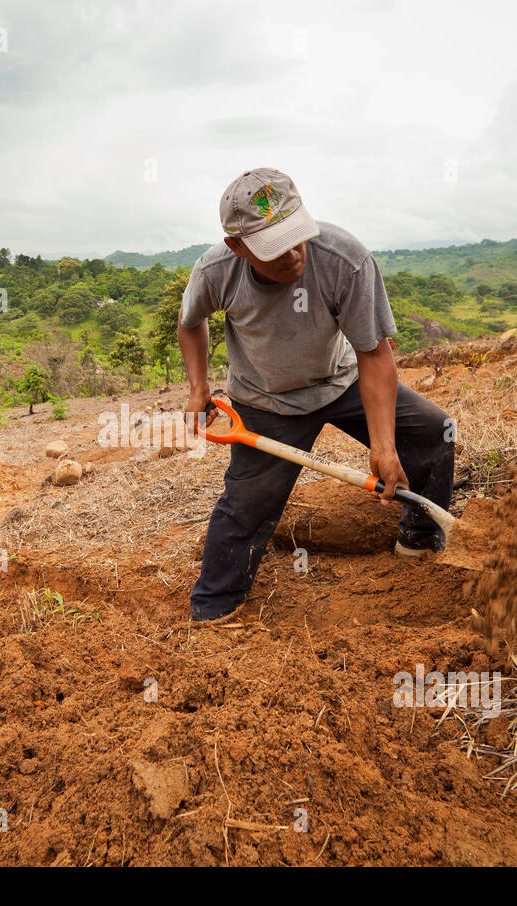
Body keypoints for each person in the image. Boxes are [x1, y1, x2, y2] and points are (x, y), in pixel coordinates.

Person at [179, 169, 454, 621]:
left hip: (342, 382)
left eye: (297, 235)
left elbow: (374, 353)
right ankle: (215, 607)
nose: (293, 254)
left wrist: (384, 448)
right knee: (246, 508)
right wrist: (198, 389)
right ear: (237, 247)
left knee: (433, 433)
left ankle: (421, 537)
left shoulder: (344, 259)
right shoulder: (216, 271)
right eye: (273, 247)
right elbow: (190, 323)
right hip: (266, 401)